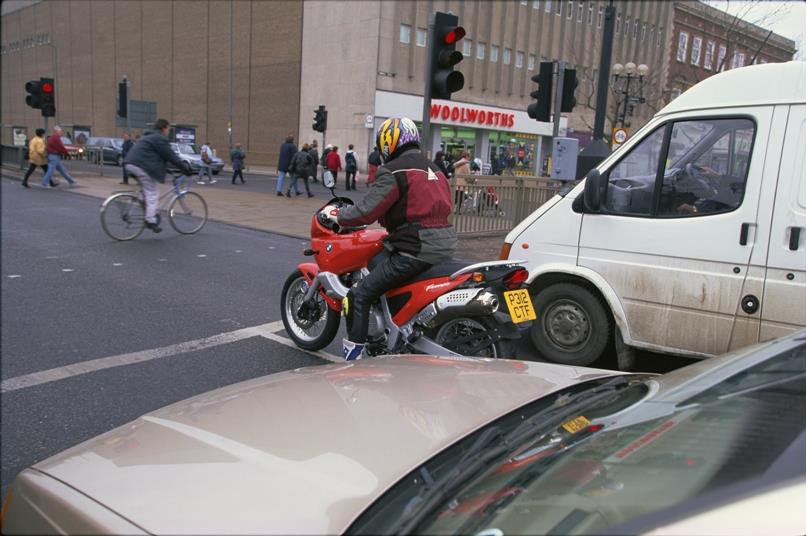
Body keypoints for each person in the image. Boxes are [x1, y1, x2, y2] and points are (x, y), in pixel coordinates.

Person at [321, 116, 456, 361]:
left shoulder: (393, 170)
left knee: (358, 295)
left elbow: (366, 211)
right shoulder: (435, 169)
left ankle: (353, 362)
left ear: (388, 141)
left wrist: (339, 216)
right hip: (444, 245)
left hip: (414, 249)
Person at [124, 118, 193, 233]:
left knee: (145, 191)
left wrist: (168, 170)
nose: (168, 132)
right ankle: (150, 220)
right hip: (141, 166)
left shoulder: (148, 136)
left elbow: (155, 157)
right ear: (164, 128)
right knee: (153, 193)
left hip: (131, 163)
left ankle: (140, 205)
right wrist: (185, 169)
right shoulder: (159, 138)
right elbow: (171, 156)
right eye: (168, 129)